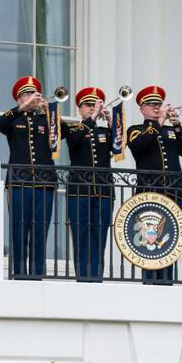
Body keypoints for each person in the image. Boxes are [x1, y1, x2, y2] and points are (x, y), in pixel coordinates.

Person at [0, 75, 57, 279]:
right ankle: (20, 274)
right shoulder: (14, 120)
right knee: (19, 230)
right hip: (19, 183)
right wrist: (22, 109)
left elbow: (65, 132)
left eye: (34, 94)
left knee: (40, 231)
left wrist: (49, 110)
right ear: (19, 99)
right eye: (27, 94)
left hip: (44, 183)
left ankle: (37, 274)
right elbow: (0, 123)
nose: (32, 97)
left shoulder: (47, 120)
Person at [126, 84, 182, 285]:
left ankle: (167, 282)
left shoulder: (169, 130)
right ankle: (149, 283)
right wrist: (159, 122)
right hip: (149, 193)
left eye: (159, 104)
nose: (156, 107)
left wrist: (177, 126)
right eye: (151, 105)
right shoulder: (136, 130)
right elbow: (138, 146)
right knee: (149, 243)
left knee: (170, 241)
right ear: (142, 109)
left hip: (173, 192)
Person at [61, 86, 115, 281]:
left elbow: (119, 148)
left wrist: (111, 121)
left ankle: (96, 277)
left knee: (99, 236)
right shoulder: (75, 129)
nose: (92, 108)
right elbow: (74, 142)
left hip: (103, 191)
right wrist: (92, 119)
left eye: (95, 105)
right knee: (81, 235)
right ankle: (83, 277)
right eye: (88, 105)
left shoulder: (105, 132)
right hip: (79, 191)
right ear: (80, 109)